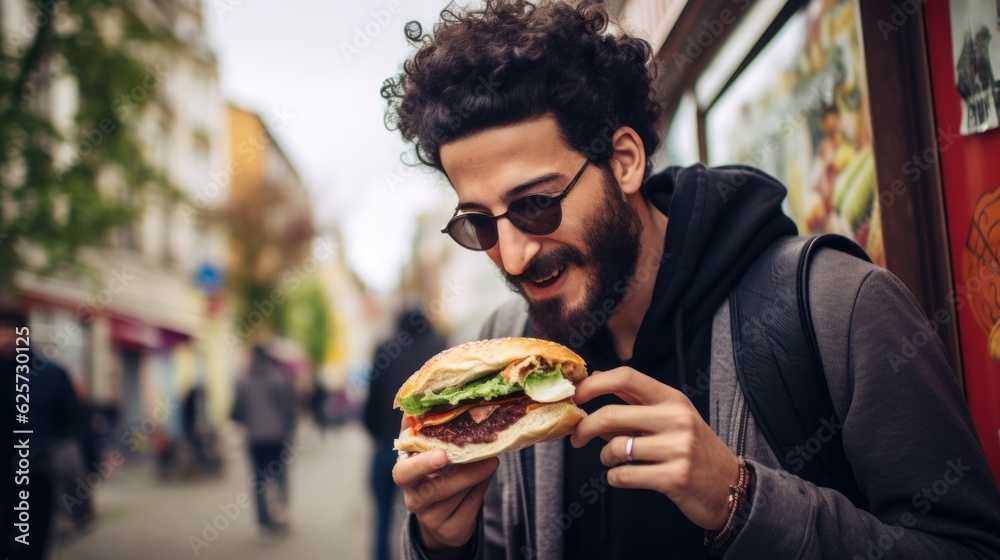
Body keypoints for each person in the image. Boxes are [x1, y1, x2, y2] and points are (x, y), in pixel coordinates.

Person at [381, 1, 1000, 559]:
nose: (512, 257)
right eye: (479, 225)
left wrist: (740, 499)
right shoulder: (504, 354)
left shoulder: (841, 307)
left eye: (536, 204)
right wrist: (440, 544)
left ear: (623, 161)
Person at [0, 306, 90, 560]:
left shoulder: (51, 375)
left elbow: (74, 424)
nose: (7, 338)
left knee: (33, 540)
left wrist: (83, 473)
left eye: (12, 330)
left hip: (38, 472)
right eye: (2, 330)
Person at [363, 308, 447, 560]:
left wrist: (377, 434)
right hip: (428, 449)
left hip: (386, 448)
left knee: (382, 517)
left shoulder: (385, 347)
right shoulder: (438, 345)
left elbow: (372, 400)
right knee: (432, 521)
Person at [230, 343, 298, 534]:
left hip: (255, 439)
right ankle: (281, 510)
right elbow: (289, 409)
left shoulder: (244, 381)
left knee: (258, 480)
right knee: (280, 476)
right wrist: (289, 428)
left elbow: (236, 412)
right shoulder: (280, 378)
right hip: (278, 437)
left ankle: (262, 521)